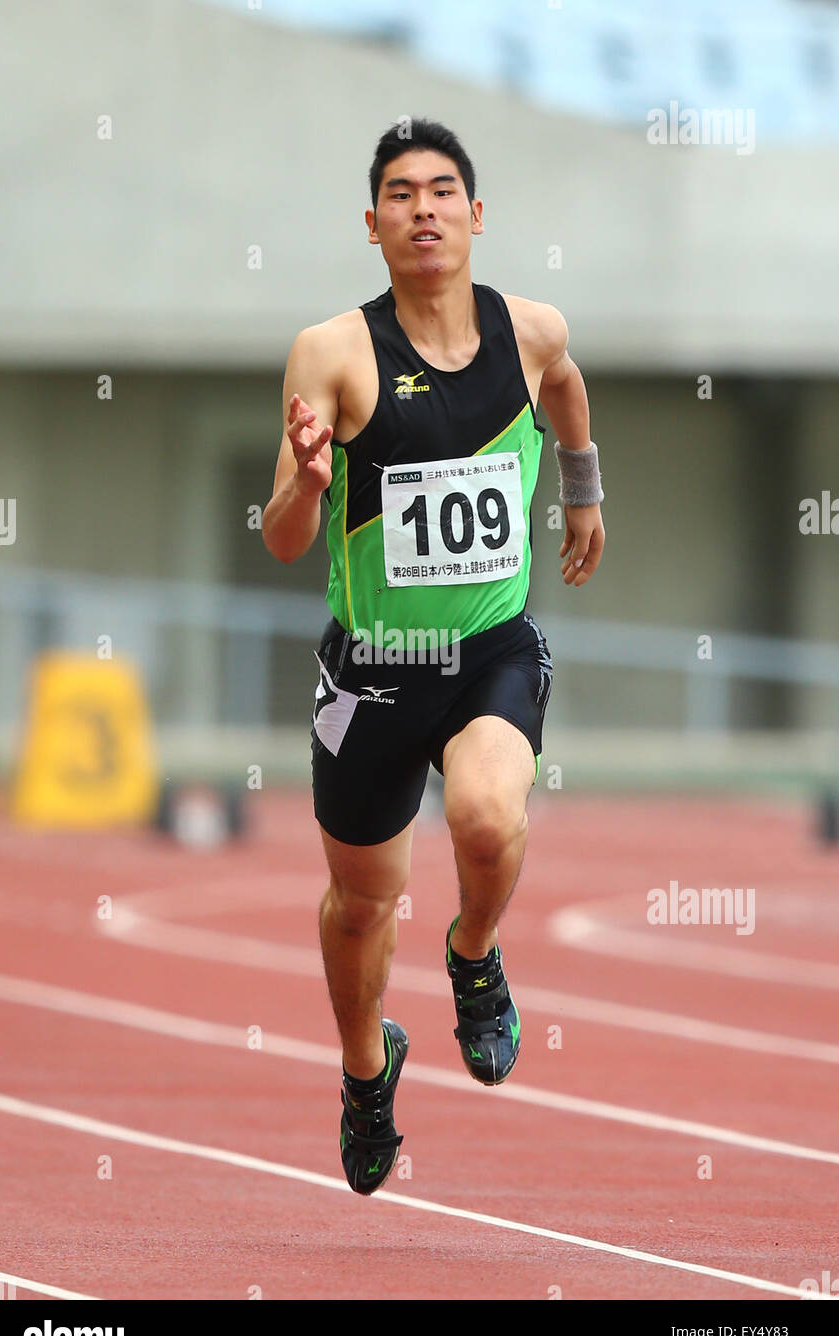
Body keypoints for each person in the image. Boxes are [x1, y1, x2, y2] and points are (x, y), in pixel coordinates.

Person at [262, 119, 605, 1195]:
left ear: (475, 214)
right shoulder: (332, 352)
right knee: (361, 904)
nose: (424, 209)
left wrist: (582, 489)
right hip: (371, 670)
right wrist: (309, 481)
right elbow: (282, 539)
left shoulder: (532, 330)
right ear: (373, 225)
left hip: (488, 648)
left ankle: (471, 952)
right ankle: (367, 1073)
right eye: (402, 194)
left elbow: (565, 386)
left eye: (443, 190)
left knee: (487, 816)